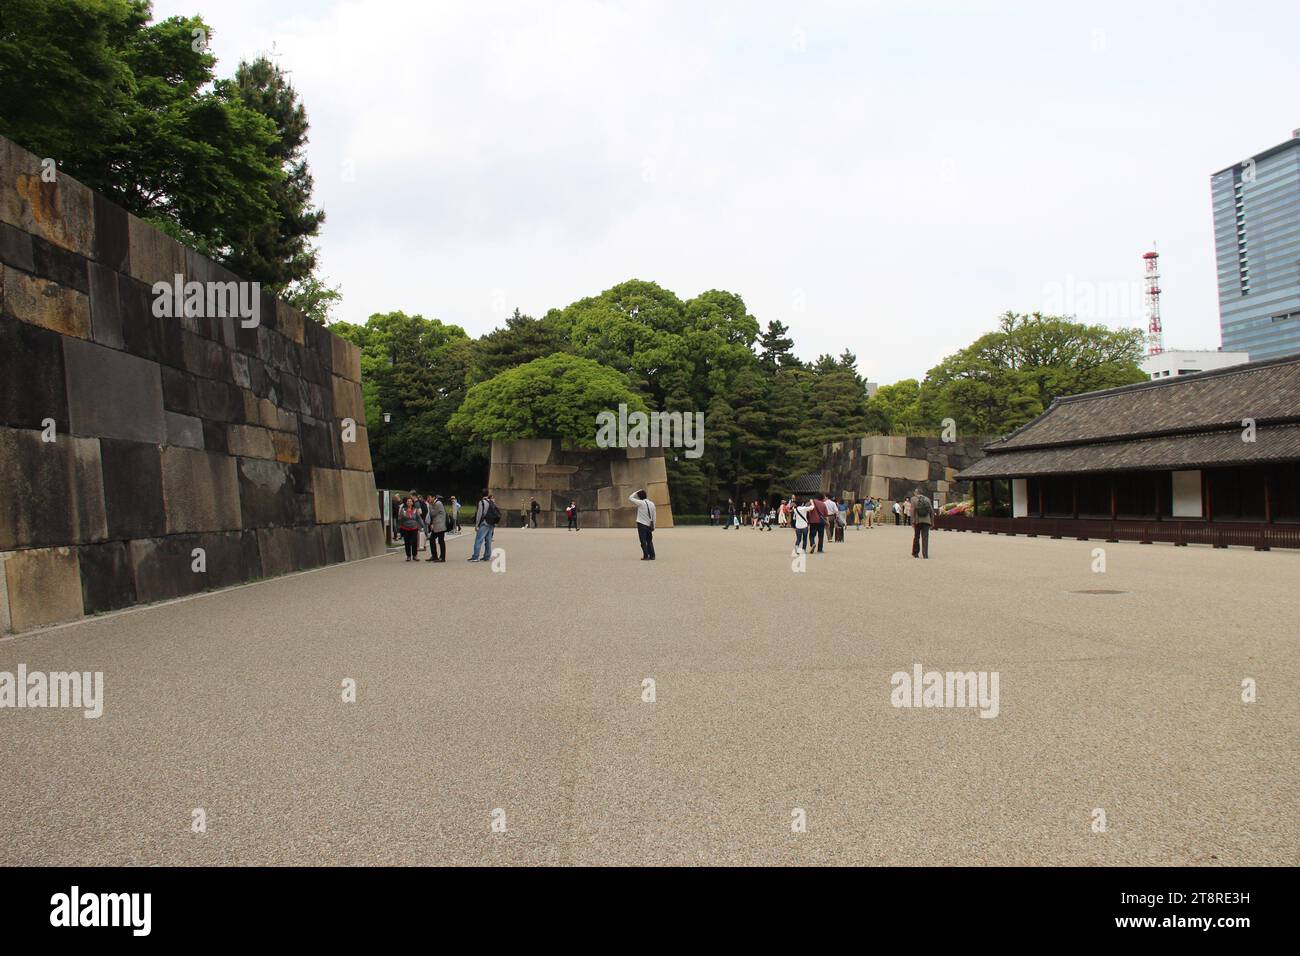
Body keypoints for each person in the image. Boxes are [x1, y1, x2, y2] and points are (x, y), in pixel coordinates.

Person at [469, 489, 499, 562]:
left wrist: (477, 525)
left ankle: (475, 556)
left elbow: (479, 514)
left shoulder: (482, 502)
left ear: (481, 494)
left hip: (484, 523)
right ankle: (487, 556)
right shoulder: (491, 501)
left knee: (478, 540)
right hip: (491, 523)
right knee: (488, 541)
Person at [630, 489, 657, 560]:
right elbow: (654, 516)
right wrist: (653, 526)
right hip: (649, 525)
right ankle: (652, 555)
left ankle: (646, 556)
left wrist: (636, 492)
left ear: (639, 496)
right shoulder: (652, 504)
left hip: (641, 524)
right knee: (649, 540)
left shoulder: (640, 503)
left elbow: (630, 498)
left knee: (643, 541)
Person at [396, 496, 422, 561]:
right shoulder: (403, 510)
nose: (409, 503)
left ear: (412, 503)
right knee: (407, 542)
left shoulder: (415, 509)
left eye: (410, 501)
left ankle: (415, 555)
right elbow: (400, 519)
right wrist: (398, 529)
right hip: (405, 528)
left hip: (414, 528)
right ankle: (408, 556)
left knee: (414, 542)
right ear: (406, 503)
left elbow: (419, 518)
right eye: (408, 501)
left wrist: (422, 526)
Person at [910, 488, 934, 559]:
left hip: (917, 521)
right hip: (926, 521)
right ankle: (925, 554)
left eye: (914, 492)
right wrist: (932, 522)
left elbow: (912, 511)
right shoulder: (927, 499)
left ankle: (915, 553)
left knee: (916, 536)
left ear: (916, 492)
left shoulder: (913, 499)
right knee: (925, 538)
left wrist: (912, 521)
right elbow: (931, 511)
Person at [424, 494, 447, 562]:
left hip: (440, 526)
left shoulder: (438, 503)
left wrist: (429, 505)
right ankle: (435, 556)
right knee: (432, 539)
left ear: (434, 497)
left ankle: (442, 557)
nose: (428, 499)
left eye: (429, 497)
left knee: (440, 541)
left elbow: (433, 513)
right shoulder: (434, 503)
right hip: (437, 526)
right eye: (427, 498)